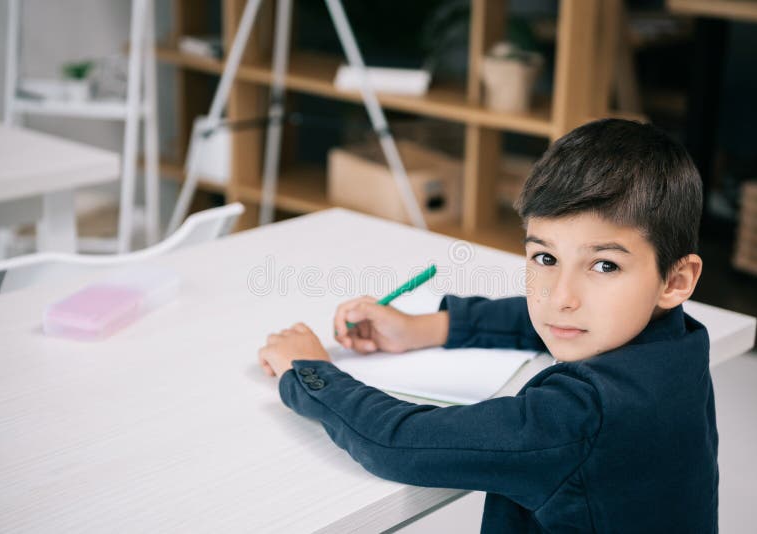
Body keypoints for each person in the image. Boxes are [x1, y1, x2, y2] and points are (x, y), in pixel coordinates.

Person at [258, 118, 717, 533]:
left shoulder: (579, 415)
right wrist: (428, 327)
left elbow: (398, 443)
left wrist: (310, 370)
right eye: (545, 257)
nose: (561, 297)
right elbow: (539, 314)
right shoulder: (679, 342)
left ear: (676, 280)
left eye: (604, 266)